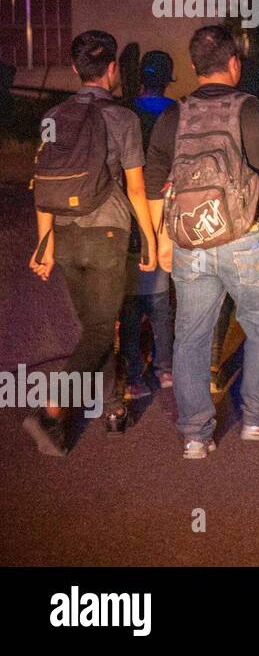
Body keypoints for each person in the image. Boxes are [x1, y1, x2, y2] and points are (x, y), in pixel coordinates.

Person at [146, 26, 259, 458]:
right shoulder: (254, 112)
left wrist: (162, 239)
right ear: (234, 64)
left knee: (190, 336)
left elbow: (152, 185)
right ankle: (258, 419)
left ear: (192, 67)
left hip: (189, 244)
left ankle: (196, 435)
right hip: (245, 239)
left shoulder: (173, 116)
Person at [25, 31, 158, 455]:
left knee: (95, 330)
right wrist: (151, 241)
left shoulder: (53, 115)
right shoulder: (124, 119)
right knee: (103, 330)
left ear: (74, 70)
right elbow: (136, 189)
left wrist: (44, 243)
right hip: (107, 235)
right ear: (113, 69)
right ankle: (55, 407)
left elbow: (44, 185)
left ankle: (107, 410)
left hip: (65, 237)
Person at [120, 49, 177, 398]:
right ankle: (165, 368)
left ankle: (132, 375)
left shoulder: (125, 112)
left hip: (128, 207)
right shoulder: (176, 113)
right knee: (160, 297)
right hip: (166, 208)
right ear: (168, 78)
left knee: (130, 300)